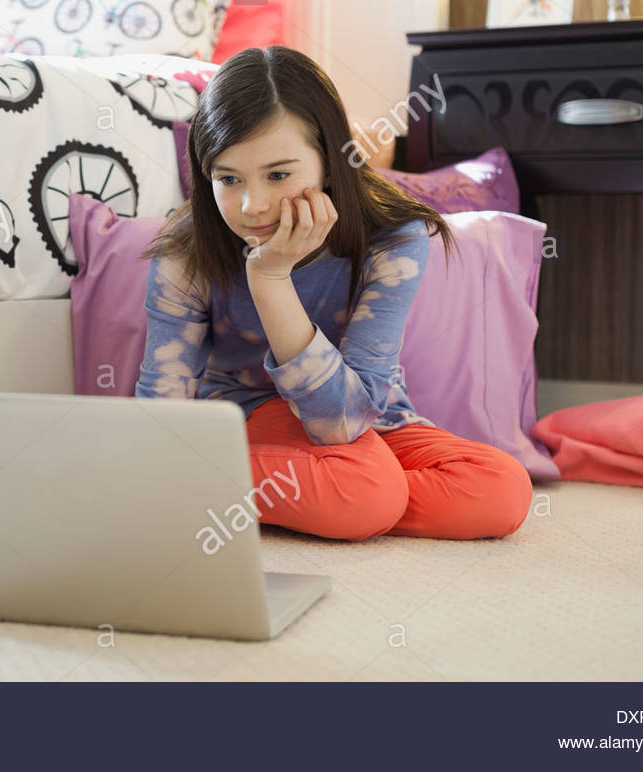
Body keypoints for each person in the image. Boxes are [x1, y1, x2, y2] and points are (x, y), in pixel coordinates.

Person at [135, 46, 533, 541]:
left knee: (501, 488)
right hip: (252, 415)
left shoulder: (393, 238)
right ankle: (346, 494)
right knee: (366, 490)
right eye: (228, 178)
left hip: (364, 415)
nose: (252, 204)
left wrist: (273, 279)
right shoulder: (184, 253)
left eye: (278, 174)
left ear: (330, 160)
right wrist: (269, 278)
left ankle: (311, 495)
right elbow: (162, 415)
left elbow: (345, 419)